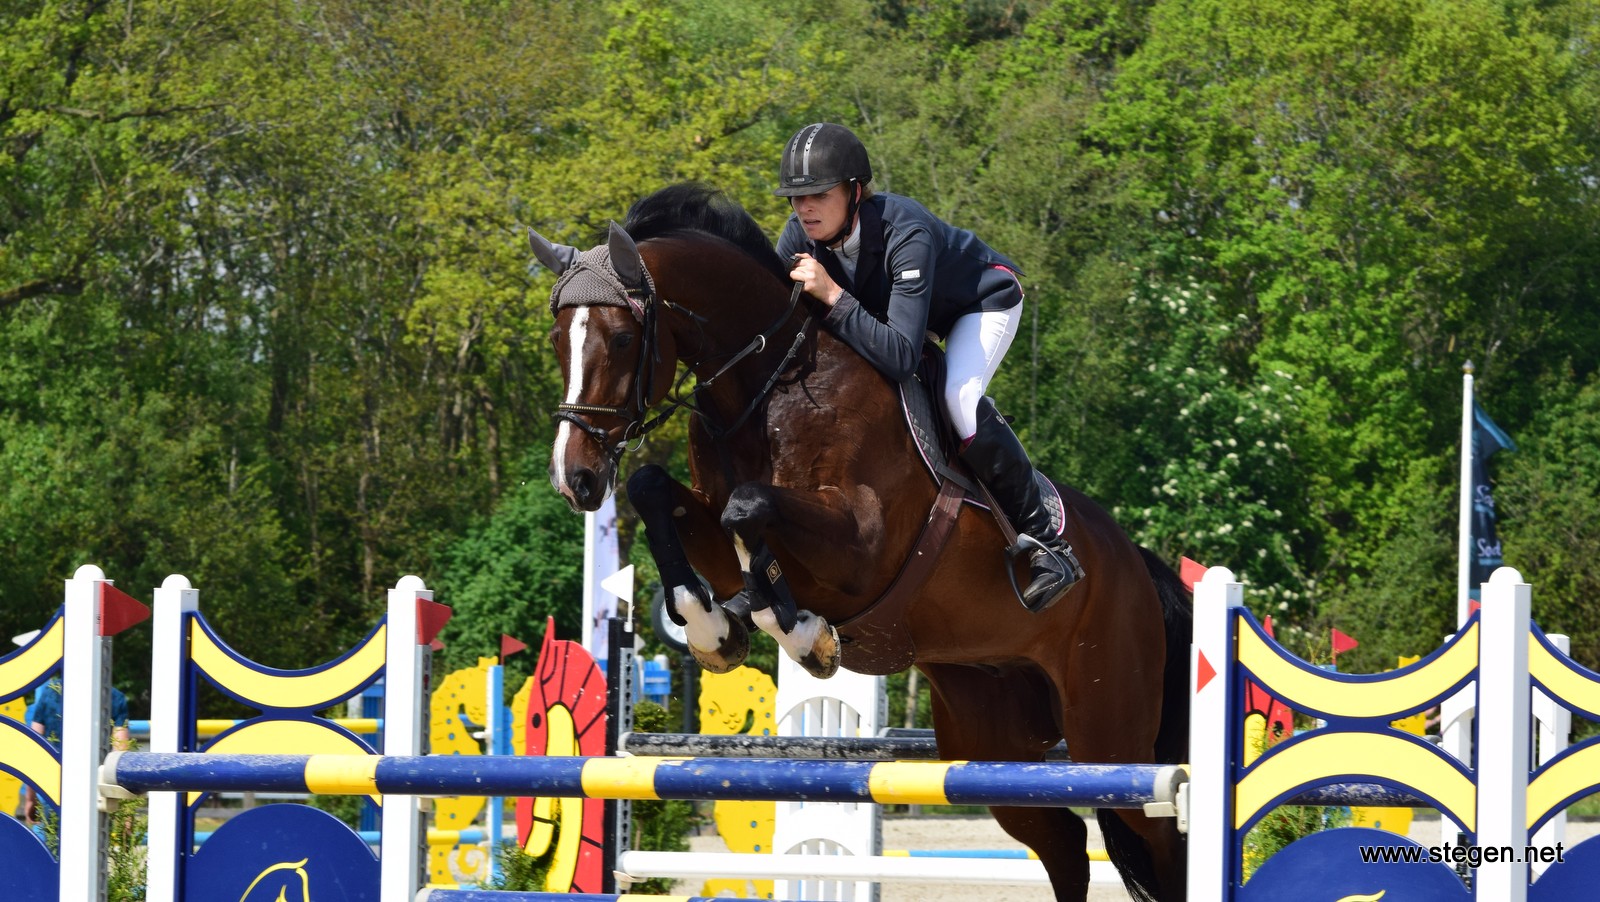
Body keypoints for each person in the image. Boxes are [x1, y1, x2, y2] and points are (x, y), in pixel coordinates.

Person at [775, 122, 1084, 612]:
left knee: (957, 398)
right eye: (795, 197)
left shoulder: (906, 228)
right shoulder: (798, 237)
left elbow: (899, 355)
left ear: (855, 191)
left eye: (817, 194)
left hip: (979, 304)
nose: (804, 208)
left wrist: (832, 295)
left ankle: (1050, 545)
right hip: (905, 321)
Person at [21, 676, 131, 830]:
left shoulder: (51, 694)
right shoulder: (115, 698)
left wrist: (31, 798)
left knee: (56, 847)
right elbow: (120, 753)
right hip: (96, 791)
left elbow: (34, 748)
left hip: (55, 787)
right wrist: (126, 809)